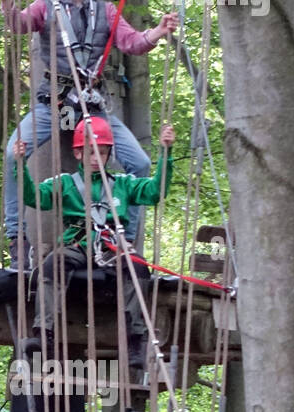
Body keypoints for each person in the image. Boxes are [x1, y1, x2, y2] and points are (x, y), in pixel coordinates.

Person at [0, 0, 179, 268]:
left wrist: (159, 32)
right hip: (52, 102)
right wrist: (7, 3)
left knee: (138, 163)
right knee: (12, 153)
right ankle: (17, 239)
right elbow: (18, 24)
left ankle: (125, 242)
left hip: (91, 106)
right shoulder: (44, 8)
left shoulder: (105, 11)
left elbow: (134, 43)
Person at [16, 116, 176, 373]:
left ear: (107, 155)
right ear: (79, 153)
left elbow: (155, 192)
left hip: (111, 246)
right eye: (90, 152)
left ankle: (136, 339)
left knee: (137, 269)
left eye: (101, 152)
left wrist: (166, 154)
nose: (95, 158)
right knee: (53, 264)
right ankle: (43, 331)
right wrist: (21, 165)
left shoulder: (123, 184)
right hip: (77, 244)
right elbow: (33, 197)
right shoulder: (65, 184)